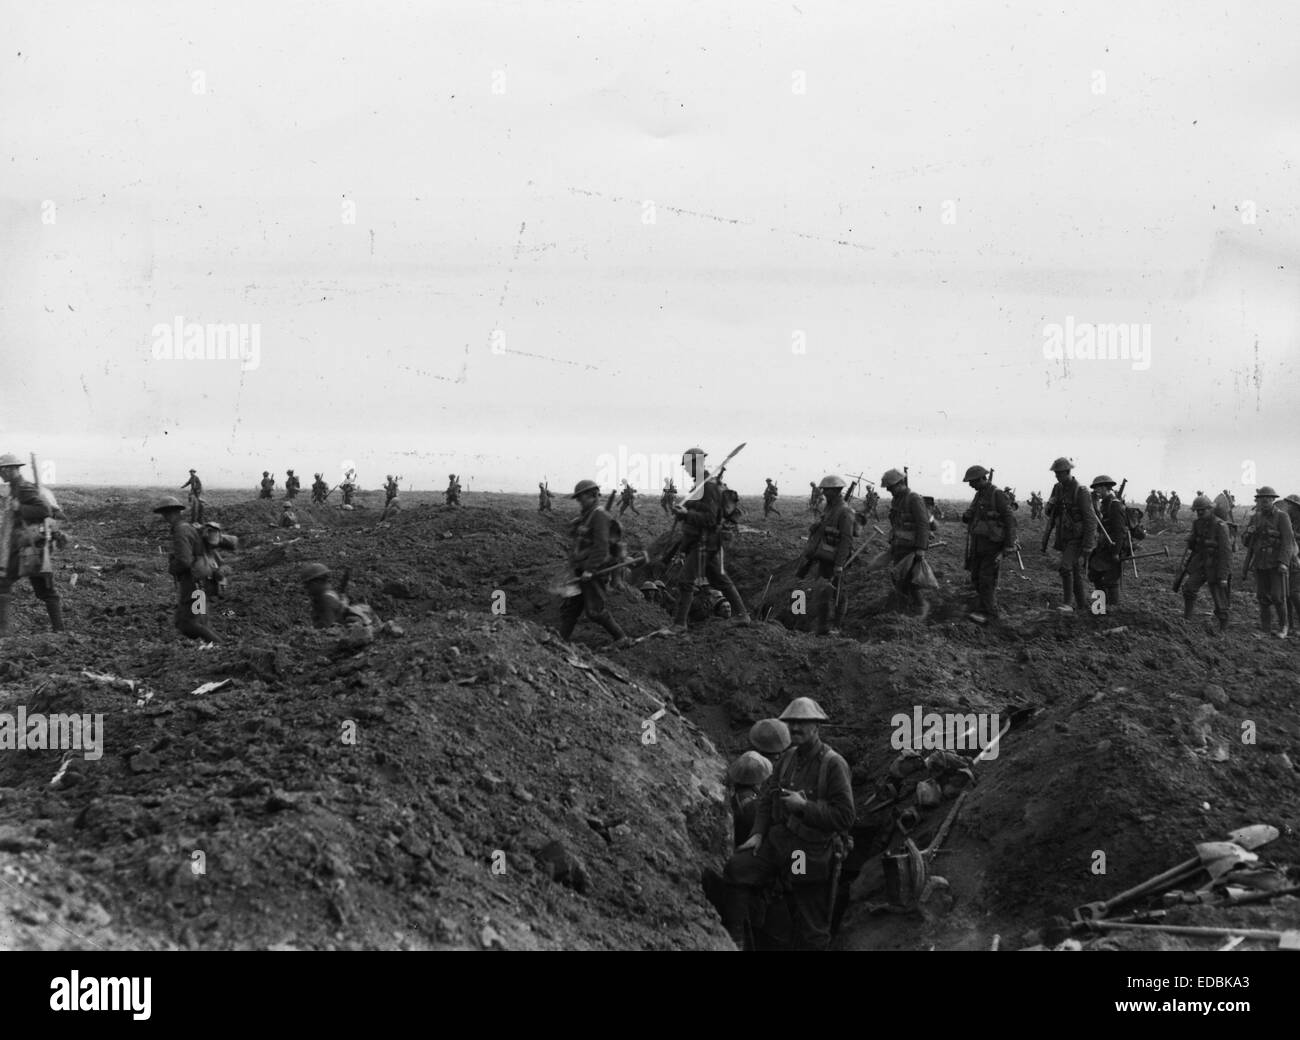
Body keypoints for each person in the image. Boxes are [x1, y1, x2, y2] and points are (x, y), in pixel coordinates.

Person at [721, 697, 854, 951]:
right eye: (792, 722)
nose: (795, 728)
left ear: (816, 726)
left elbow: (845, 817)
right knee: (738, 868)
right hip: (780, 841)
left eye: (802, 723)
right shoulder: (789, 757)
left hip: (806, 851)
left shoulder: (833, 764)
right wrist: (758, 833)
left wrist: (805, 808)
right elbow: (767, 800)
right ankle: (733, 942)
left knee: (808, 919)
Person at [671, 448, 751, 631]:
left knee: (686, 581)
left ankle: (680, 624)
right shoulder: (699, 487)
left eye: (688, 465)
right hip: (704, 541)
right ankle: (743, 615)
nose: (686, 469)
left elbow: (710, 519)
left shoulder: (708, 487)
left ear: (696, 463)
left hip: (705, 541)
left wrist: (686, 513)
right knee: (720, 579)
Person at [558, 480, 630, 646]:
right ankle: (560, 641)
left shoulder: (599, 515)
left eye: (581, 497)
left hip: (594, 571)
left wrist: (590, 569)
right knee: (571, 609)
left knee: (594, 611)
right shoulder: (587, 515)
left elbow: (601, 546)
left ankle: (621, 638)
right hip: (581, 570)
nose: (579, 501)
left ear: (591, 495)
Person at [0, 453, 64, 635]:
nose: (1, 474)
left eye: (3, 470)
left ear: (12, 469)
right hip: (22, 547)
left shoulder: (24, 488)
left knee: (45, 589)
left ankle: (59, 631)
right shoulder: (15, 487)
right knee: (5, 584)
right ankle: (58, 630)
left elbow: (44, 509)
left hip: (29, 547)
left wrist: (20, 508)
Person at [155, 496, 219, 645]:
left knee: (189, 623)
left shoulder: (180, 530)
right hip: (199, 582)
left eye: (165, 513)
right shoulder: (187, 527)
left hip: (193, 583)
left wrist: (173, 567)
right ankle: (213, 649)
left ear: (169, 513)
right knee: (197, 620)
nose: (164, 517)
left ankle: (222, 647)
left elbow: (185, 560)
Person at [796, 475, 854, 635]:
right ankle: (822, 627)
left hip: (835, 559)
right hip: (822, 556)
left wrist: (839, 564)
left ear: (836, 491)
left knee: (838, 593)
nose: (824, 493)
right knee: (822, 591)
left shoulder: (845, 511)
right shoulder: (829, 508)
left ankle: (836, 626)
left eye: (827, 491)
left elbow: (846, 540)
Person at [961, 465, 1017, 622]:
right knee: (976, 577)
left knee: (987, 579)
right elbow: (974, 512)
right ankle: (984, 607)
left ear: (981, 479)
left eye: (972, 482)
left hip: (993, 544)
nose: (970, 485)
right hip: (979, 543)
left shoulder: (997, 494)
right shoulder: (979, 495)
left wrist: (1009, 544)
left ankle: (990, 614)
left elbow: (1009, 519)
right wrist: (968, 515)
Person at [1043, 457, 1097, 613]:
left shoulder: (1081, 491)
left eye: (1059, 473)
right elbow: (1050, 513)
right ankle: (1081, 605)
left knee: (1065, 568)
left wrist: (1088, 544)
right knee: (1073, 570)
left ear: (1068, 472)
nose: (1057, 476)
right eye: (1055, 473)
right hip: (1064, 536)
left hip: (1077, 538)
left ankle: (1067, 603)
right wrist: (1051, 505)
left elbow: (1090, 519)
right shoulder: (1058, 489)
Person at [1241, 486, 1295, 638]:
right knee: (1262, 597)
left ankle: (1284, 627)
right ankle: (1265, 629)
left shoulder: (1282, 517)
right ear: (1258, 501)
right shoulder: (1255, 518)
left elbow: (1288, 542)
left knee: (1278, 597)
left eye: (1267, 499)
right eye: (1261, 499)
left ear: (1273, 500)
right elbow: (1246, 543)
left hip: (1276, 564)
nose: (1264, 501)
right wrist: (1248, 534)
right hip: (1259, 563)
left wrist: (1284, 562)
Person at [882, 467, 932, 617]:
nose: (889, 490)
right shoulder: (897, 500)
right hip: (899, 544)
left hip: (911, 546)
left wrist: (921, 548)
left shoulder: (914, 498)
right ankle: (904, 608)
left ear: (900, 483)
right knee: (899, 577)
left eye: (891, 487)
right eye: (888, 488)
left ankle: (921, 606)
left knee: (910, 578)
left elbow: (923, 524)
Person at [1180, 494, 1231, 632]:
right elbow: (1195, 546)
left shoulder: (1221, 526)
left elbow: (1226, 553)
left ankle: (1223, 629)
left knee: (1220, 599)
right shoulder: (1197, 524)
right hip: (1201, 564)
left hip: (1216, 566)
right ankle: (1187, 618)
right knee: (1189, 588)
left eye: (1203, 510)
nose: (1200, 513)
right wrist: (1190, 540)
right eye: (1198, 510)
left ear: (1210, 509)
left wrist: (1223, 576)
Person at [1087, 476, 1128, 612]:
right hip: (1103, 547)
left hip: (1113, 548)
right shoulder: (1104, 504)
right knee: (1095, 574)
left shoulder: (1115, 504)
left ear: (1105, 487)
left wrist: (1116, 552)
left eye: (1098, 488)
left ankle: (1112, 611)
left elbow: (1120, 531)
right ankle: (1100, 608)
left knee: (1110, 580)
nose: (1096, 491)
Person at [300, 562, 377, 629]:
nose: (306, 588)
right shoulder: (328, 594)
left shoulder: (326, 599)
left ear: (316, 583)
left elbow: (327, 627)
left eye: (308, 585)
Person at [1278, 494, 1300, 632]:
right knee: (1286, 594)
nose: (1289, 507)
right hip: (1288, 558)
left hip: (1297, 560)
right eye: (1288, 504)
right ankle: (1290, 625)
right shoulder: (1288, 519)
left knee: (1294, 593)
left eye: (1291, 504)